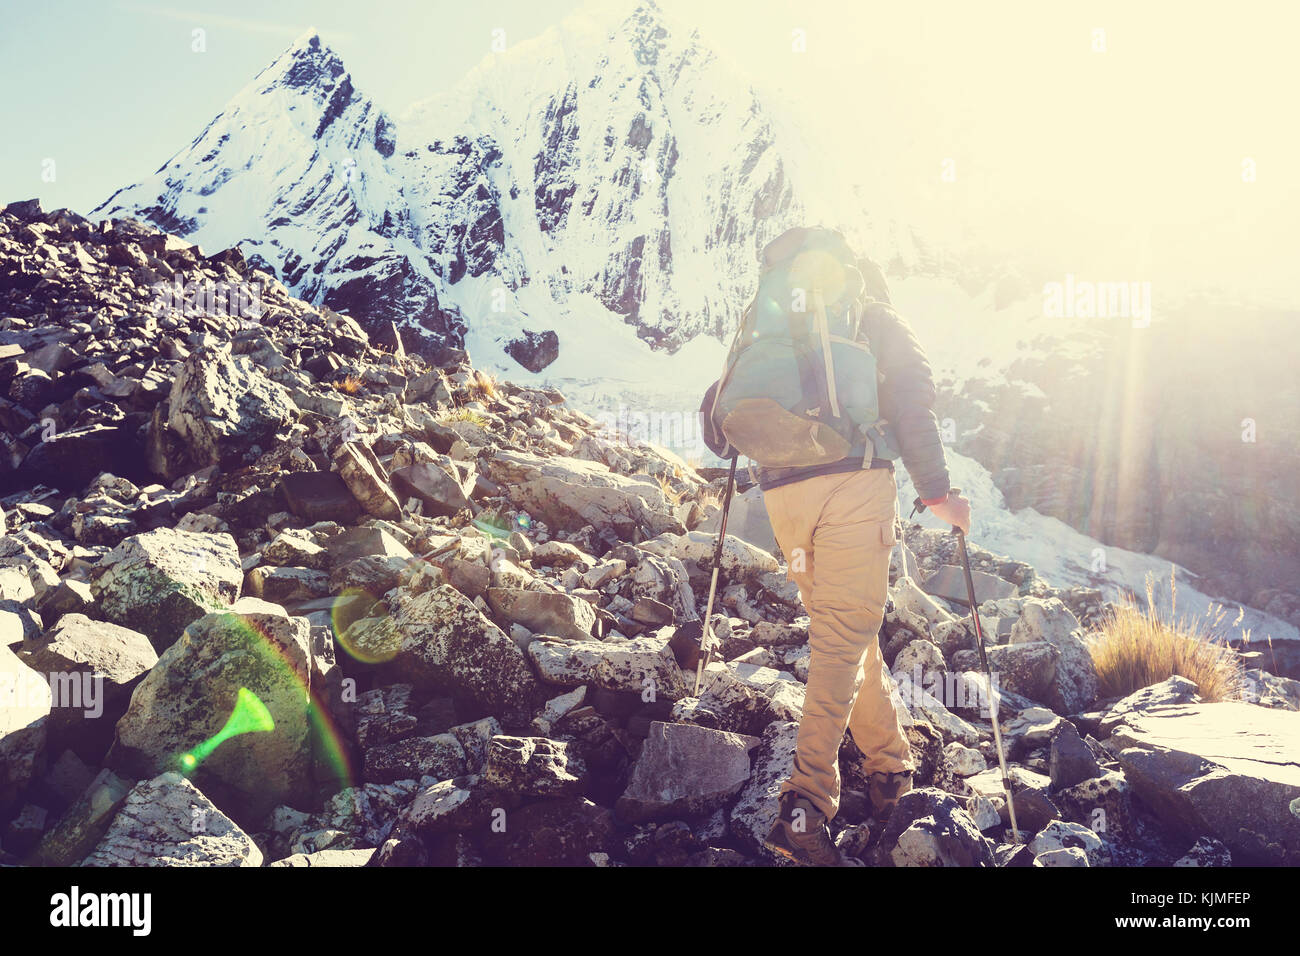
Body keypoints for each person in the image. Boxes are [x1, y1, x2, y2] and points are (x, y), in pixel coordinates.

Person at [700, 249, 970, 866]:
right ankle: (806, 804)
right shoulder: (876, 319)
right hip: (854, 486)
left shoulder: (769, 323)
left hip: (783, 497)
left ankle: (888, 771)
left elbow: (715, 416)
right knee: (843, 636)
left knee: (847, 634)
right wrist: (938, 495)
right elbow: (912, 407)